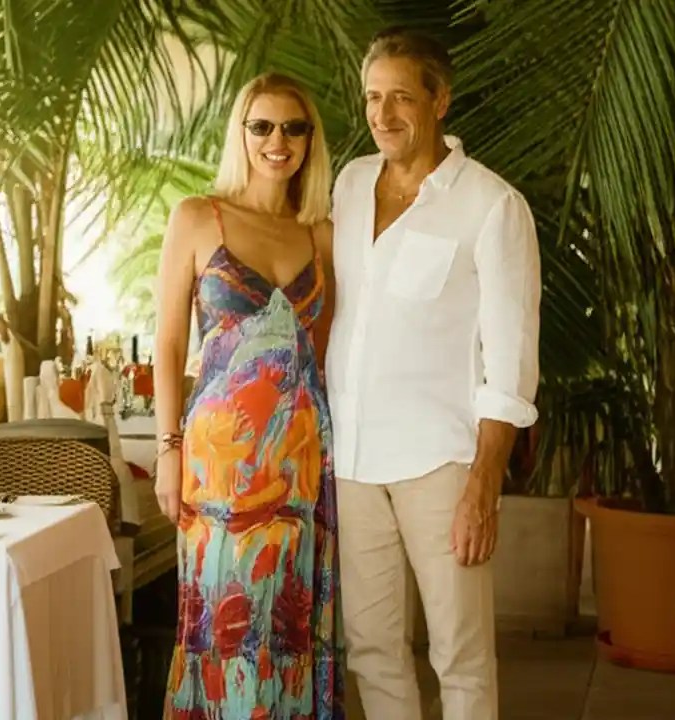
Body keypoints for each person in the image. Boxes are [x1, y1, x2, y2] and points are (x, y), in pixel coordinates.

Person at [327, 27, 541, 720]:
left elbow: (511, 363)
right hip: (353, 462)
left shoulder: (492, 206)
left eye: (400, 98)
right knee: (371, 648)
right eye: (371, 98)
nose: (383, 115)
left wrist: (484, 482)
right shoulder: (351, 184)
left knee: (461, 655)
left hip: (442, 466)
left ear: (440, 99)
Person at [152, 71, 345, 718]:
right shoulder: (197, 217)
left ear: (309, 140)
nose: (277, 140)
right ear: (241, 133)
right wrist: (166, 449)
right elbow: (169, 344)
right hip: (220, 463)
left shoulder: (322, 233)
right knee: (223, 618)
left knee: (288, 623)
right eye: (261, 125)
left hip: (300, 463)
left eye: (293, 127)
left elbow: (324, 354)